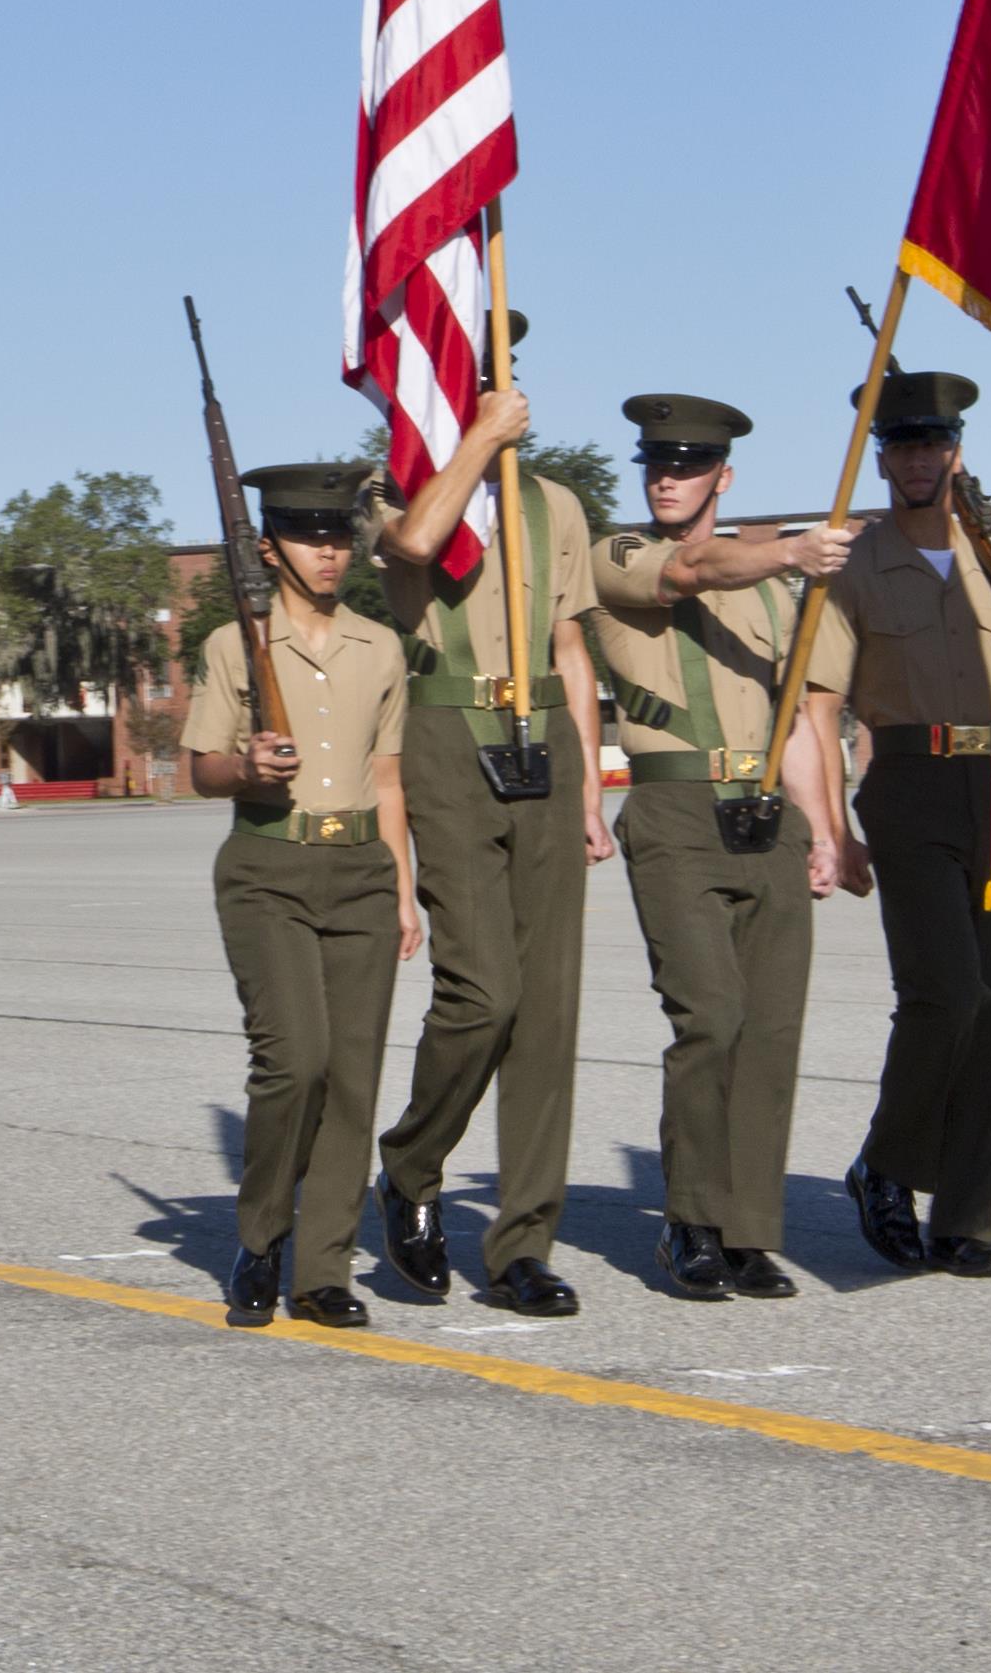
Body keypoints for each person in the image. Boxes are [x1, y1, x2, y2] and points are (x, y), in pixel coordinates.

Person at [583, 393, 865, 1303]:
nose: (667, 477)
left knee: (771, 1030)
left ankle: (748, 1231)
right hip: (675, 815)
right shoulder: (620, 553)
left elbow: (795, 723)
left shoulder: (781, 597)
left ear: (723, 476)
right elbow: (695, 569)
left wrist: (823, 830)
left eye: (689, 465)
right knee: (708, 1016)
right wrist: (791, 547)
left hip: (766, 817)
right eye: (656, 463)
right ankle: (691, 1223)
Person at [369, 314, 609, 1317]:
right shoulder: (399, 494)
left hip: (545, 743)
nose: (483, 382)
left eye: (495, 369)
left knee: (547, 1010)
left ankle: (521, 1244)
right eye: (463, 369)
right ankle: (412, 1168)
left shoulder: (552, 503)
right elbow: (419, 542)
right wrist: (477, 442)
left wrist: (592, 783)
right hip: (448, 739)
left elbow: (569, 650)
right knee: (484, 995)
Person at [185, 462, 416, 1329]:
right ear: (270, 546)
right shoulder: (232, 644)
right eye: (308, 537)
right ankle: (262, 1236)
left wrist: (402, 888)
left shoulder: (380, 644)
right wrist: (245, 764)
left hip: (360, 870)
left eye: (338, 536)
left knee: (354, 1074)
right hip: (268, 869)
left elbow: (387, 778)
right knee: (296, 1060)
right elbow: (201, 768)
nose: (328, 552)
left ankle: (323, 1272)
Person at [811, 370, 991, 1280]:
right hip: (907, 782)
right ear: (883, 458)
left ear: (956, 452)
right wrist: (833, 828)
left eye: (933, 444)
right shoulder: (854, 564)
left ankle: (964, 1220)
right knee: (946, 992)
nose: (919, 460)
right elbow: (818, 707)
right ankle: (886, 1164)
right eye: (902, 446)